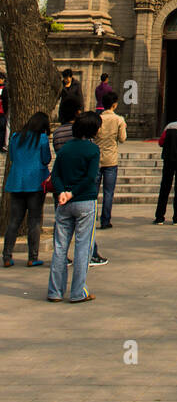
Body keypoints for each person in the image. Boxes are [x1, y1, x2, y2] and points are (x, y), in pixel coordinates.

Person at [47, 111, 101, 303]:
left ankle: (55, 291)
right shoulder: (92, 150)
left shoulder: (65, 149)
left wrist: (63, 192)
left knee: (60, 247)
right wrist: (72, 193)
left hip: (63, 203)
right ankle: (78, 291)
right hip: (85, 200)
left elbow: (55, 176)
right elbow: (90, 177)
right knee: (82, 246)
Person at [2, 111, 51, 268]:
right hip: (35, 183)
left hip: (17, 182)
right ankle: (33, 256)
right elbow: (46, 159)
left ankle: (7, 256)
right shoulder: (42, 139)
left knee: (14, 221)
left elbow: (13, 157)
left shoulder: (16, 137)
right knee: (34, 221)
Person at [93, 90, 126, 230]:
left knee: (93, 191)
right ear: (114, 105)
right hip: (111, 160)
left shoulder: (97, 119)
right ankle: (105, 220)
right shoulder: (119, 120)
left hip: (96, 159)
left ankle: (90, 217)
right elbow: (122, 138)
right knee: (108, 192)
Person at [0, 69, 8, 151]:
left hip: (2, 112)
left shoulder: (3, 88)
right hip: (2, 112)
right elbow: (5, 101)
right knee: (2, 129)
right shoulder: (3, 88)